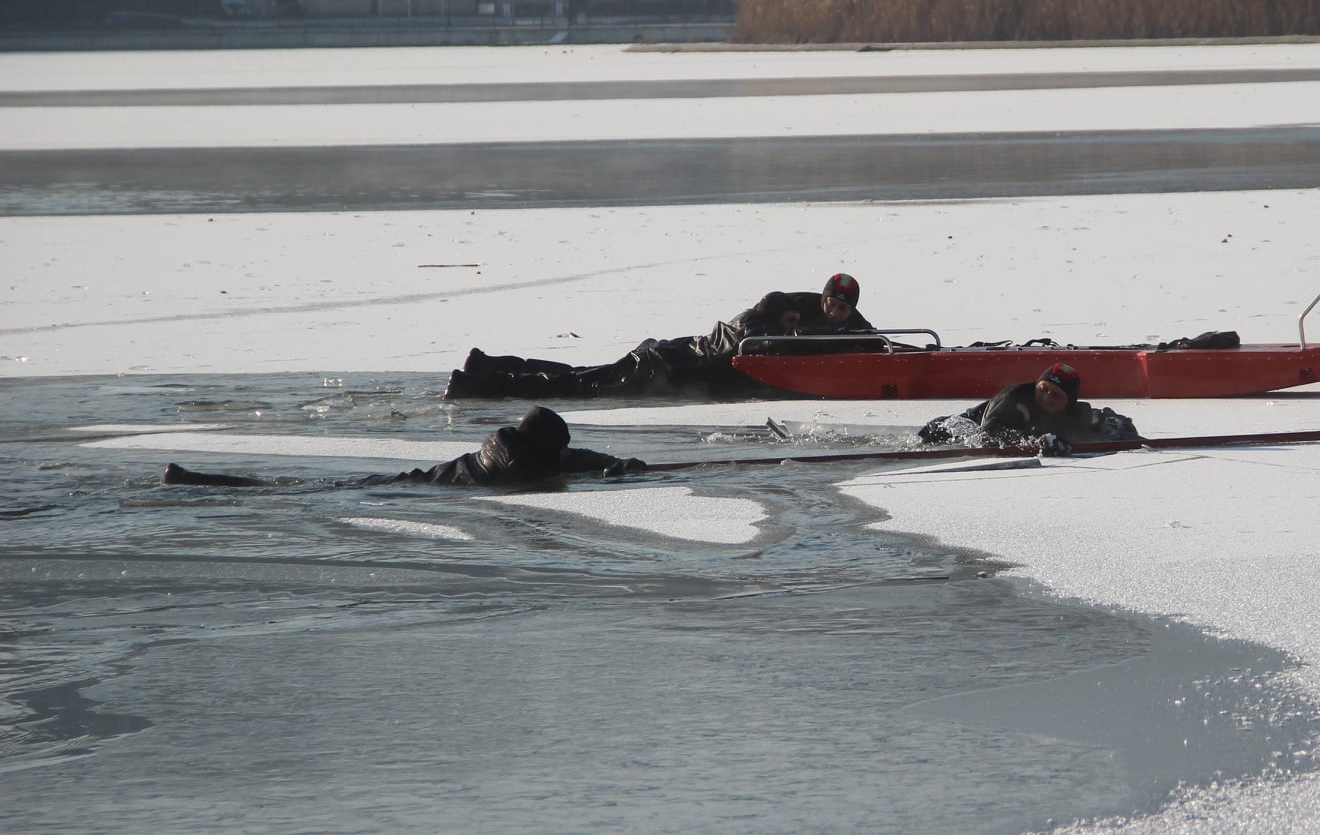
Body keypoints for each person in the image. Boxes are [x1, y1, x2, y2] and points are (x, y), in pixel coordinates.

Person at [446, 273, 876, 400]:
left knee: (581, 374)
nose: (836, 313)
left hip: (678, 362)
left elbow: (872, 339)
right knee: (579, 384)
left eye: (843, 309)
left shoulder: (834, 322)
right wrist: (790, 335)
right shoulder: (772, 312)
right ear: (818, 300)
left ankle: (487, 366)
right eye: (832, 305)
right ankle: (481, 382)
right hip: (670, 364)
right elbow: (755, 342)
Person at [161, 405, 648, 487]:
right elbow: (545, 475)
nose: (568, 454)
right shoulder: (512, 464)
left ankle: (188, 479)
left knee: (288, 486)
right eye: (561, 449)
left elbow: (573, 462)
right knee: (280, 490)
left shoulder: (521, 451)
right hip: (401, 489)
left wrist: (614, 463)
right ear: (544, 447)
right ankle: (192, 481)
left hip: (409, 484)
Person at [918, 362, 1141, 455]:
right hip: (943, 431)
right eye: (1043, 389)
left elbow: (1102, 419)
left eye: (1056, 395)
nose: (1046, 398)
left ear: (1068, 403)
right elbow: (987, 436)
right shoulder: (1015, 400)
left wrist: (1117, 426)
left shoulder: (1073, 412)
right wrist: (1036, 443)